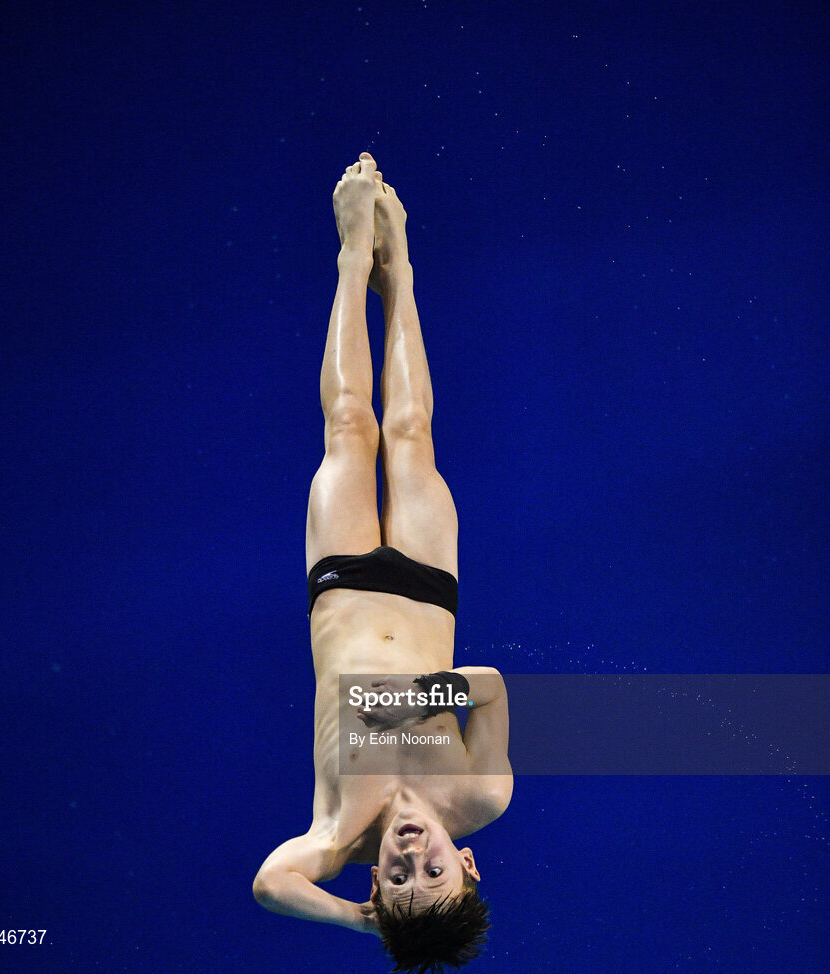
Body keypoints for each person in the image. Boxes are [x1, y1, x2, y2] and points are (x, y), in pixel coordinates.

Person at [253, 152, 512, 973]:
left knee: (348, 424)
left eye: (399, 879)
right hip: (430, 594)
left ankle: (353, 253)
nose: (410, 855)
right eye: (434, 871)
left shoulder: (339, 833)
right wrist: (404, 699)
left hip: (345, 590)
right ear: (466, 864)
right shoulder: (480, 796)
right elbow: (494, 685)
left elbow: (269, 884)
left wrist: (364, 924)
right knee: (411, 432)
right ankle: (400, 273)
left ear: (376, 881)